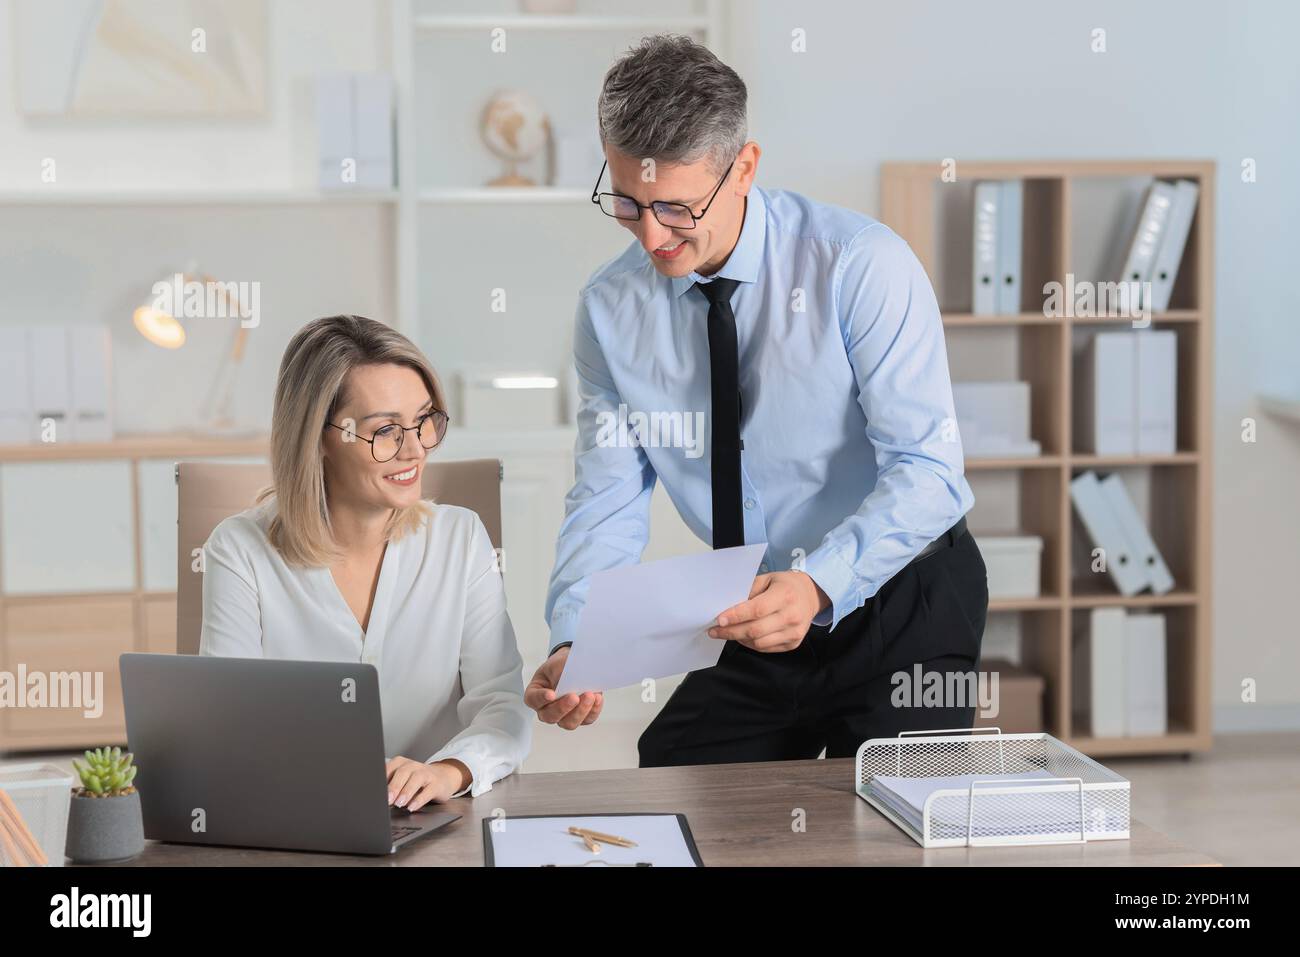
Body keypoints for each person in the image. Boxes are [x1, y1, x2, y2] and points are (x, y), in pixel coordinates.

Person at [525, 35, 989, 766]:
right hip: (759, 604)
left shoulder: (861, 266)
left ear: (744, 168)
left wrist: (819, 584)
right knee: (682, 775)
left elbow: (930, 473)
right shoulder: (610, 311)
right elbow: (606, 496)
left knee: (898, 823)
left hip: (903, 597)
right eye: (626, 203)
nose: (651, 237)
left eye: (675, 208)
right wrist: (576, 637)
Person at [201, 314, 531, 807]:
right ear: (319, 438)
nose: (415, 449)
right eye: (386, 431)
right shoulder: (240, 550)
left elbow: (502, 705)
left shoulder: (461, 538)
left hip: (436, 826)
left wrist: (449, 771)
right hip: (295, 815)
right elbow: (228, 723)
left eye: (424, 421)